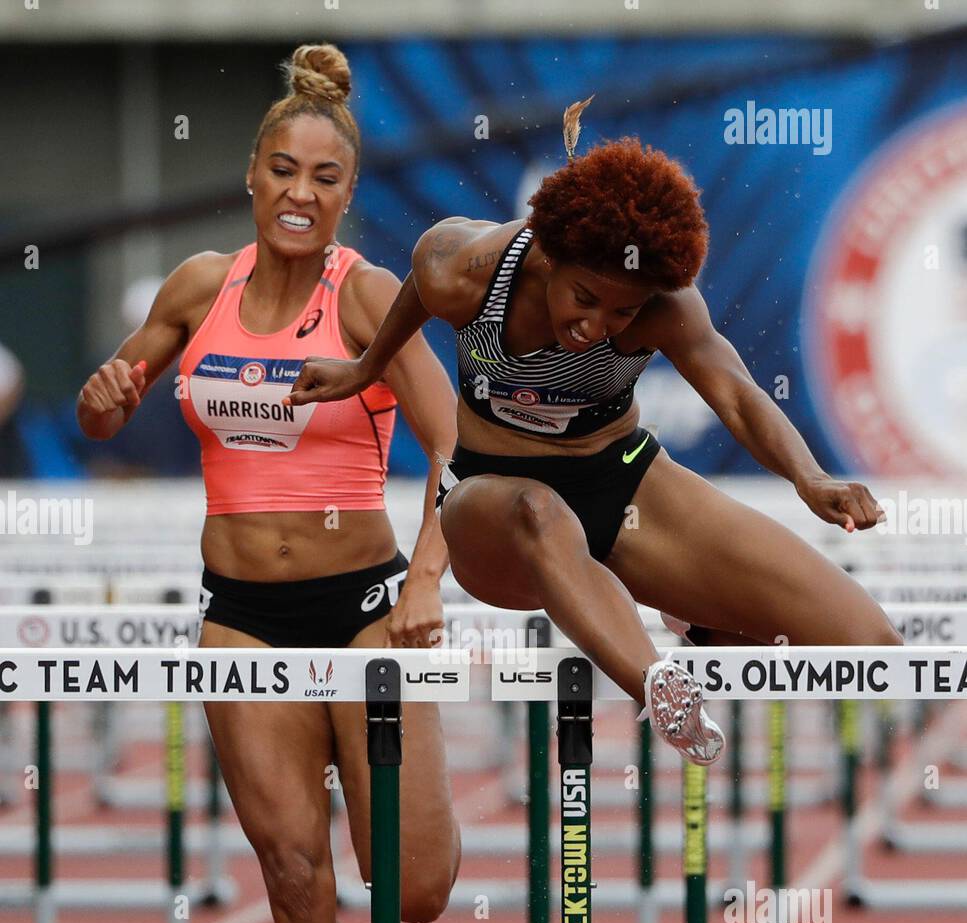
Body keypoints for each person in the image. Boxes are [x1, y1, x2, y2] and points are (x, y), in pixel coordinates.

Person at [76, 43, 461, 923]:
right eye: (283, 169)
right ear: (251, 176)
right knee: (293, 877)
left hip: (359, 612)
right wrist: (106, 399)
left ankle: (414, 848)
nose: (302, 192)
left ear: (348, 192)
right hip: (240, 618)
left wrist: (430, 575)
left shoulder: (370, 296)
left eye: (326, 177)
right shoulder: (199, 286)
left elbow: (460, 447)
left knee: (415, 889)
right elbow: (116, 397)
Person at [288, 98, 901, 763]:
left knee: (871, 644)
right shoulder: (462, 269)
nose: (596, 326)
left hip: (622, 486)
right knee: (538, 511)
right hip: (493, 503)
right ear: (548, 257)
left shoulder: (663, 307)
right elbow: (415, 294)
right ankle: (658, 685)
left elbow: (735, 392)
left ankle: (690, 616)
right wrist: (364, 367)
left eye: (621, 311)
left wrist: (808, 477)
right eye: (585, 298)